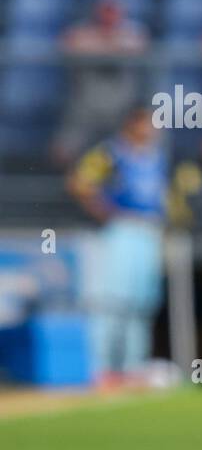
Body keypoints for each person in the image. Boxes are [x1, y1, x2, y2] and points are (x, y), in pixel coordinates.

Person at [66, 107, 169, 386]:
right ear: (132, 123)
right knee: (112, 301)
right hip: (122, 229)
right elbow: (79, 181)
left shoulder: (156, 157)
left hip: (149, 231)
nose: (152, 130)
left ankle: (133, 367)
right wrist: (103, 210)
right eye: (147, 124)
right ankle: (101, 367)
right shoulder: (113, 152)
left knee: (141, 304)